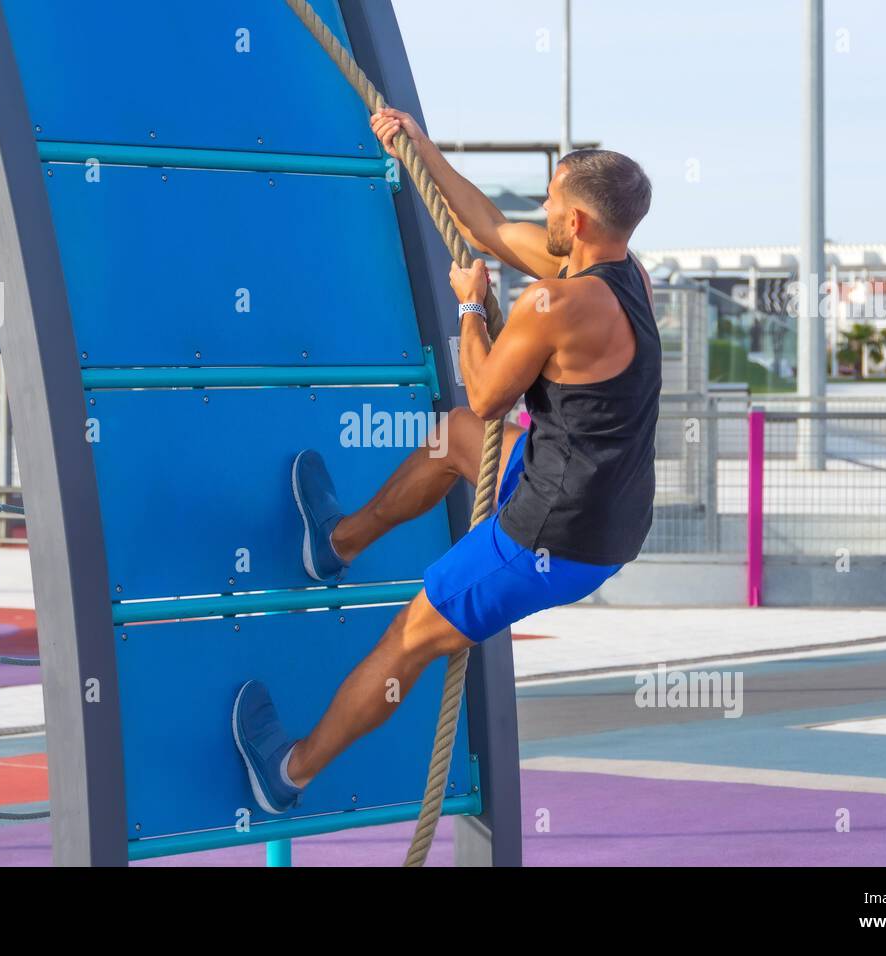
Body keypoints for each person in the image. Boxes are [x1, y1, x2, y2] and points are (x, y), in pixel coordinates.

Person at [233, 107, 661, 814]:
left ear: (578, 221)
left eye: (552, 200)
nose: (543, 208)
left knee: (407, 639)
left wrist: (469, 308)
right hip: (606, 513)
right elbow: (486, 228)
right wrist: (417, 146)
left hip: (549, 535)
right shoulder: (626, 278)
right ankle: (337, 543)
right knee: (456, 436)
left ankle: (288, 772)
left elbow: (491, 394)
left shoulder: (557, 304)